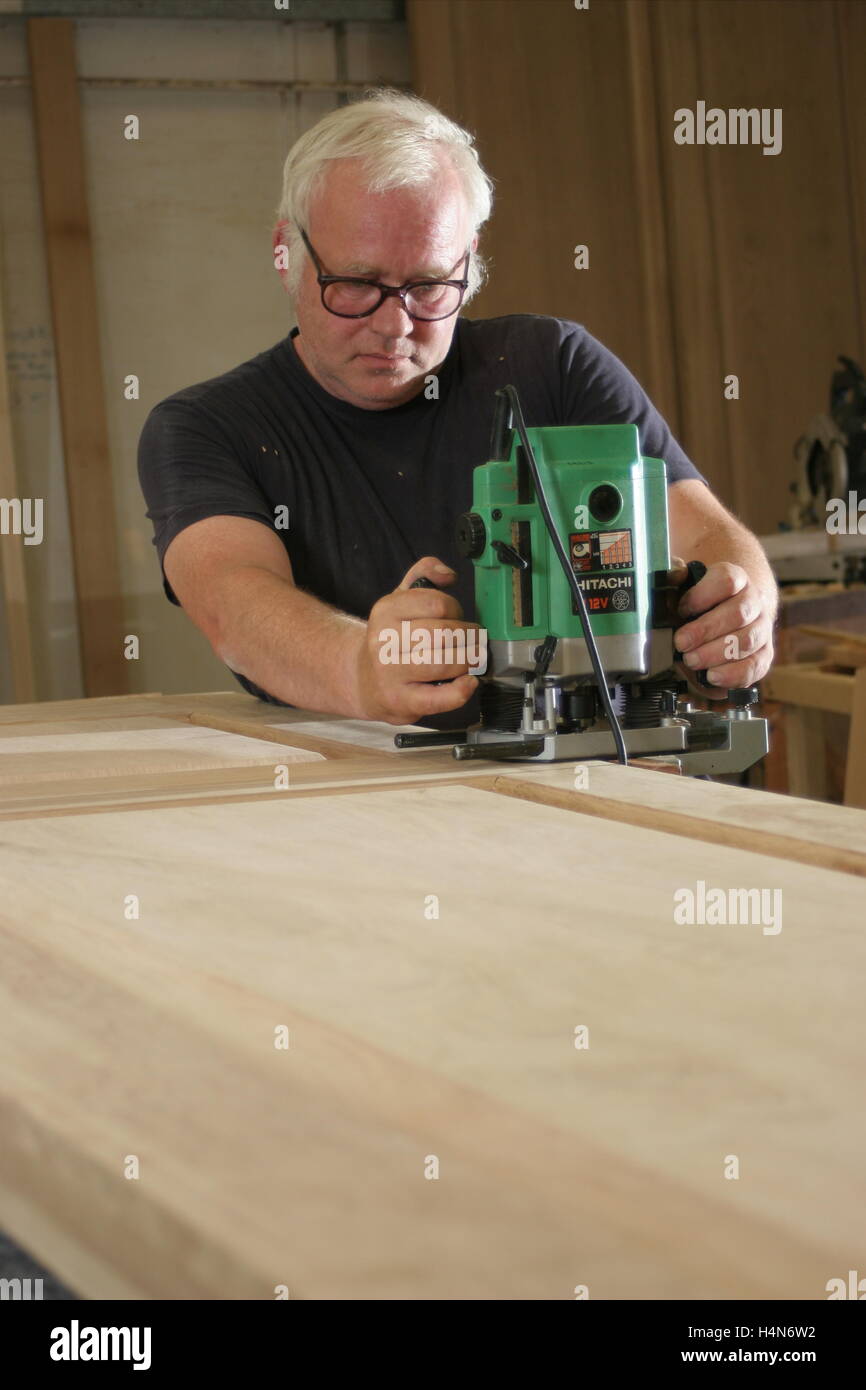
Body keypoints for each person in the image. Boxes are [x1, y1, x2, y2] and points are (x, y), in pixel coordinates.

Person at [138, 88, 777, 732]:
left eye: (428, 286)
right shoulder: (206, 428)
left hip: (581, 766)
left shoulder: (552, 365)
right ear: (288, 255)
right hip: (346, 787)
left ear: (468, 261)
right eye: (357, 285)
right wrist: (361, 666)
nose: (395, 325)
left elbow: (706, 533)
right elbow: (235, 608)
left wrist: (744, 606)